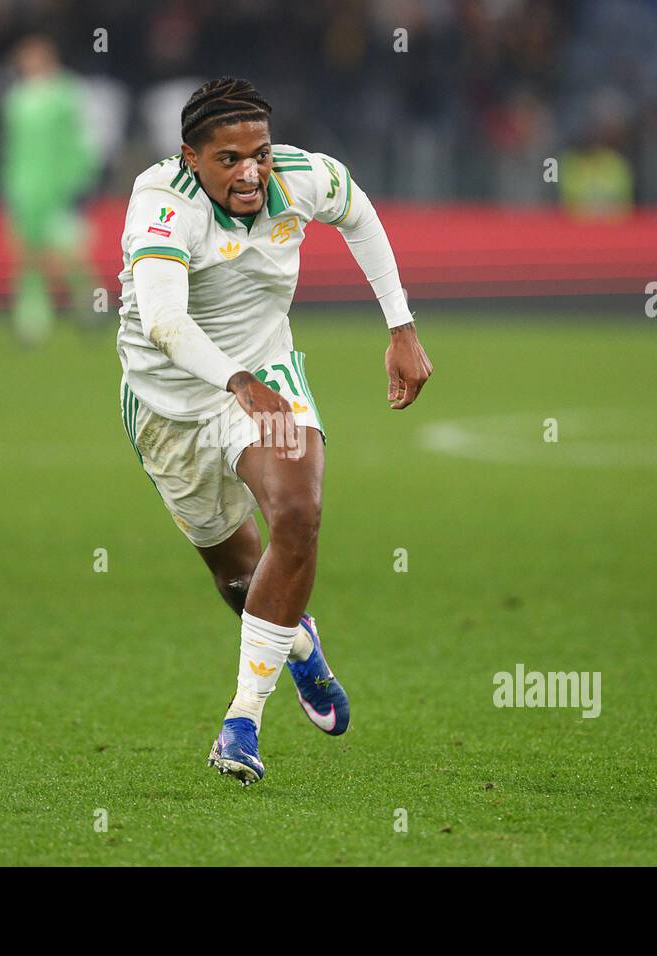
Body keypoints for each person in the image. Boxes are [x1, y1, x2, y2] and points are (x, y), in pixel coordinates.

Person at [115, 77, 433, 785]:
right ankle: (299, 647)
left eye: (258, 152)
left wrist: (400, 327)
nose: (250, 171)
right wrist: (234, 384)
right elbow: (166, 324)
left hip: (267, 378)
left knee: (298, 512)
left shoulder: (301, 175)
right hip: (170, 404)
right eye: (229, 158)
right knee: (239, 577)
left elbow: (360, 214)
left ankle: (242, 723)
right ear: (190, 158)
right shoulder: (162, 203)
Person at [0, 35, 97, 345]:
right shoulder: (15, 98)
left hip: (59, 188)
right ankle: (32, 322)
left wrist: (79, 180)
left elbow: (78, 140)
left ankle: (90, 307)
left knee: (68, 255)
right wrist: (6, 183)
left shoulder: (66, 94)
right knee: (28, 256)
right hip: (23, 188)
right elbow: (10, 147)